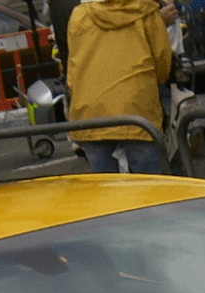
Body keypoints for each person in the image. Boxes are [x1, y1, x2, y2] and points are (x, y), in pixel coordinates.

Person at [66, 0, 172, 173]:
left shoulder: (79, 15)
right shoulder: (146, 11)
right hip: (137, 107)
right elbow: (162, 63)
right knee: (151, 185)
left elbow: (73, 67)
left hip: (91, 109)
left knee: (107, 187)